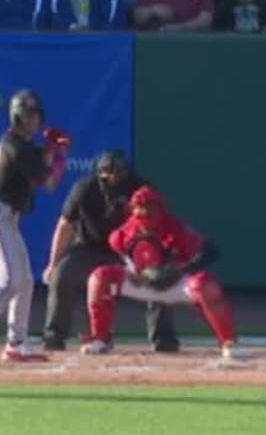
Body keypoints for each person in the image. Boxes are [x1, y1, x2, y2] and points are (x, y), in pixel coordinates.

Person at [0, 90, 70, 364]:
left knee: (25, 281)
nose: (34, 121)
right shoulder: (14, 145)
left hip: (6, 218)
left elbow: (39, 162)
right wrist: (58, 154)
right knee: (9, 280)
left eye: (36, 116)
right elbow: (49, 182)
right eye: (29, 116)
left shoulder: (22, 145)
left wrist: (51, 148)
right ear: (18, 118)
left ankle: (16, 343)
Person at [84, 186, 245, 361]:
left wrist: (180, 270)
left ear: (160, 208)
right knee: (99, 277)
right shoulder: (121, 235)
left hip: (176, 282)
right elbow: (124, 259)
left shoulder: (176, 228)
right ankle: (100, 338)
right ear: (131, 209)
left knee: (206, 285)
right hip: (141, 282)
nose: (144, 211)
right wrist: (135, 273)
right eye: (139, 207)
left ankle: (228, 342)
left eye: (150, 207)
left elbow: (211, 251)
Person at [41, 151, 179, 353]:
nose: (114, 179)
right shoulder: (84, 188)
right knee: (62, 273)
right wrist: (53, 263)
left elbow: (158, 225)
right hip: (89, 247)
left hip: (128, 249)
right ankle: (54, 336)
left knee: (157, 276)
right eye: (108, 174)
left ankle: (164, 338)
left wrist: (154, 258)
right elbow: (65, 225)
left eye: (119, 173)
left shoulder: (141, 190)